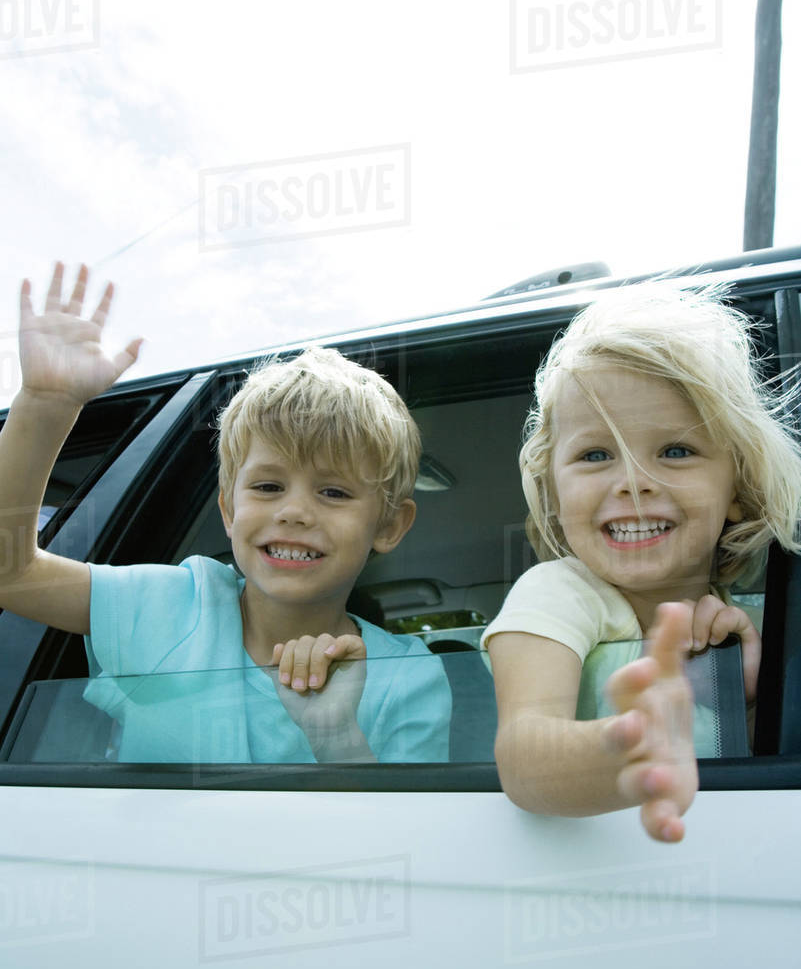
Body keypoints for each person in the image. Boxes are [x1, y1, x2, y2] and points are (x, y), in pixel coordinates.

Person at [0, 263, 451, 763]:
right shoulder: (171, 605)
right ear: (229, 511)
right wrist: (43, 406)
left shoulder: (410, 676)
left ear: (389, 526)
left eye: (334, 493)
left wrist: (336, 738)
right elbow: (11, 573)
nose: (295, 511)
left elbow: (399, 839)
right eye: (267, 486)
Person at [484, 285, 801, 842]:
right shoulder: (559, 592)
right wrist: (635, 741)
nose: (632, 482)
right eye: (595, 455)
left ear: (738, 489)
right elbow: (525, 757)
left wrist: (745, 699)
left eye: (676, 451)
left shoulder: (729, 621)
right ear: (554, 490)